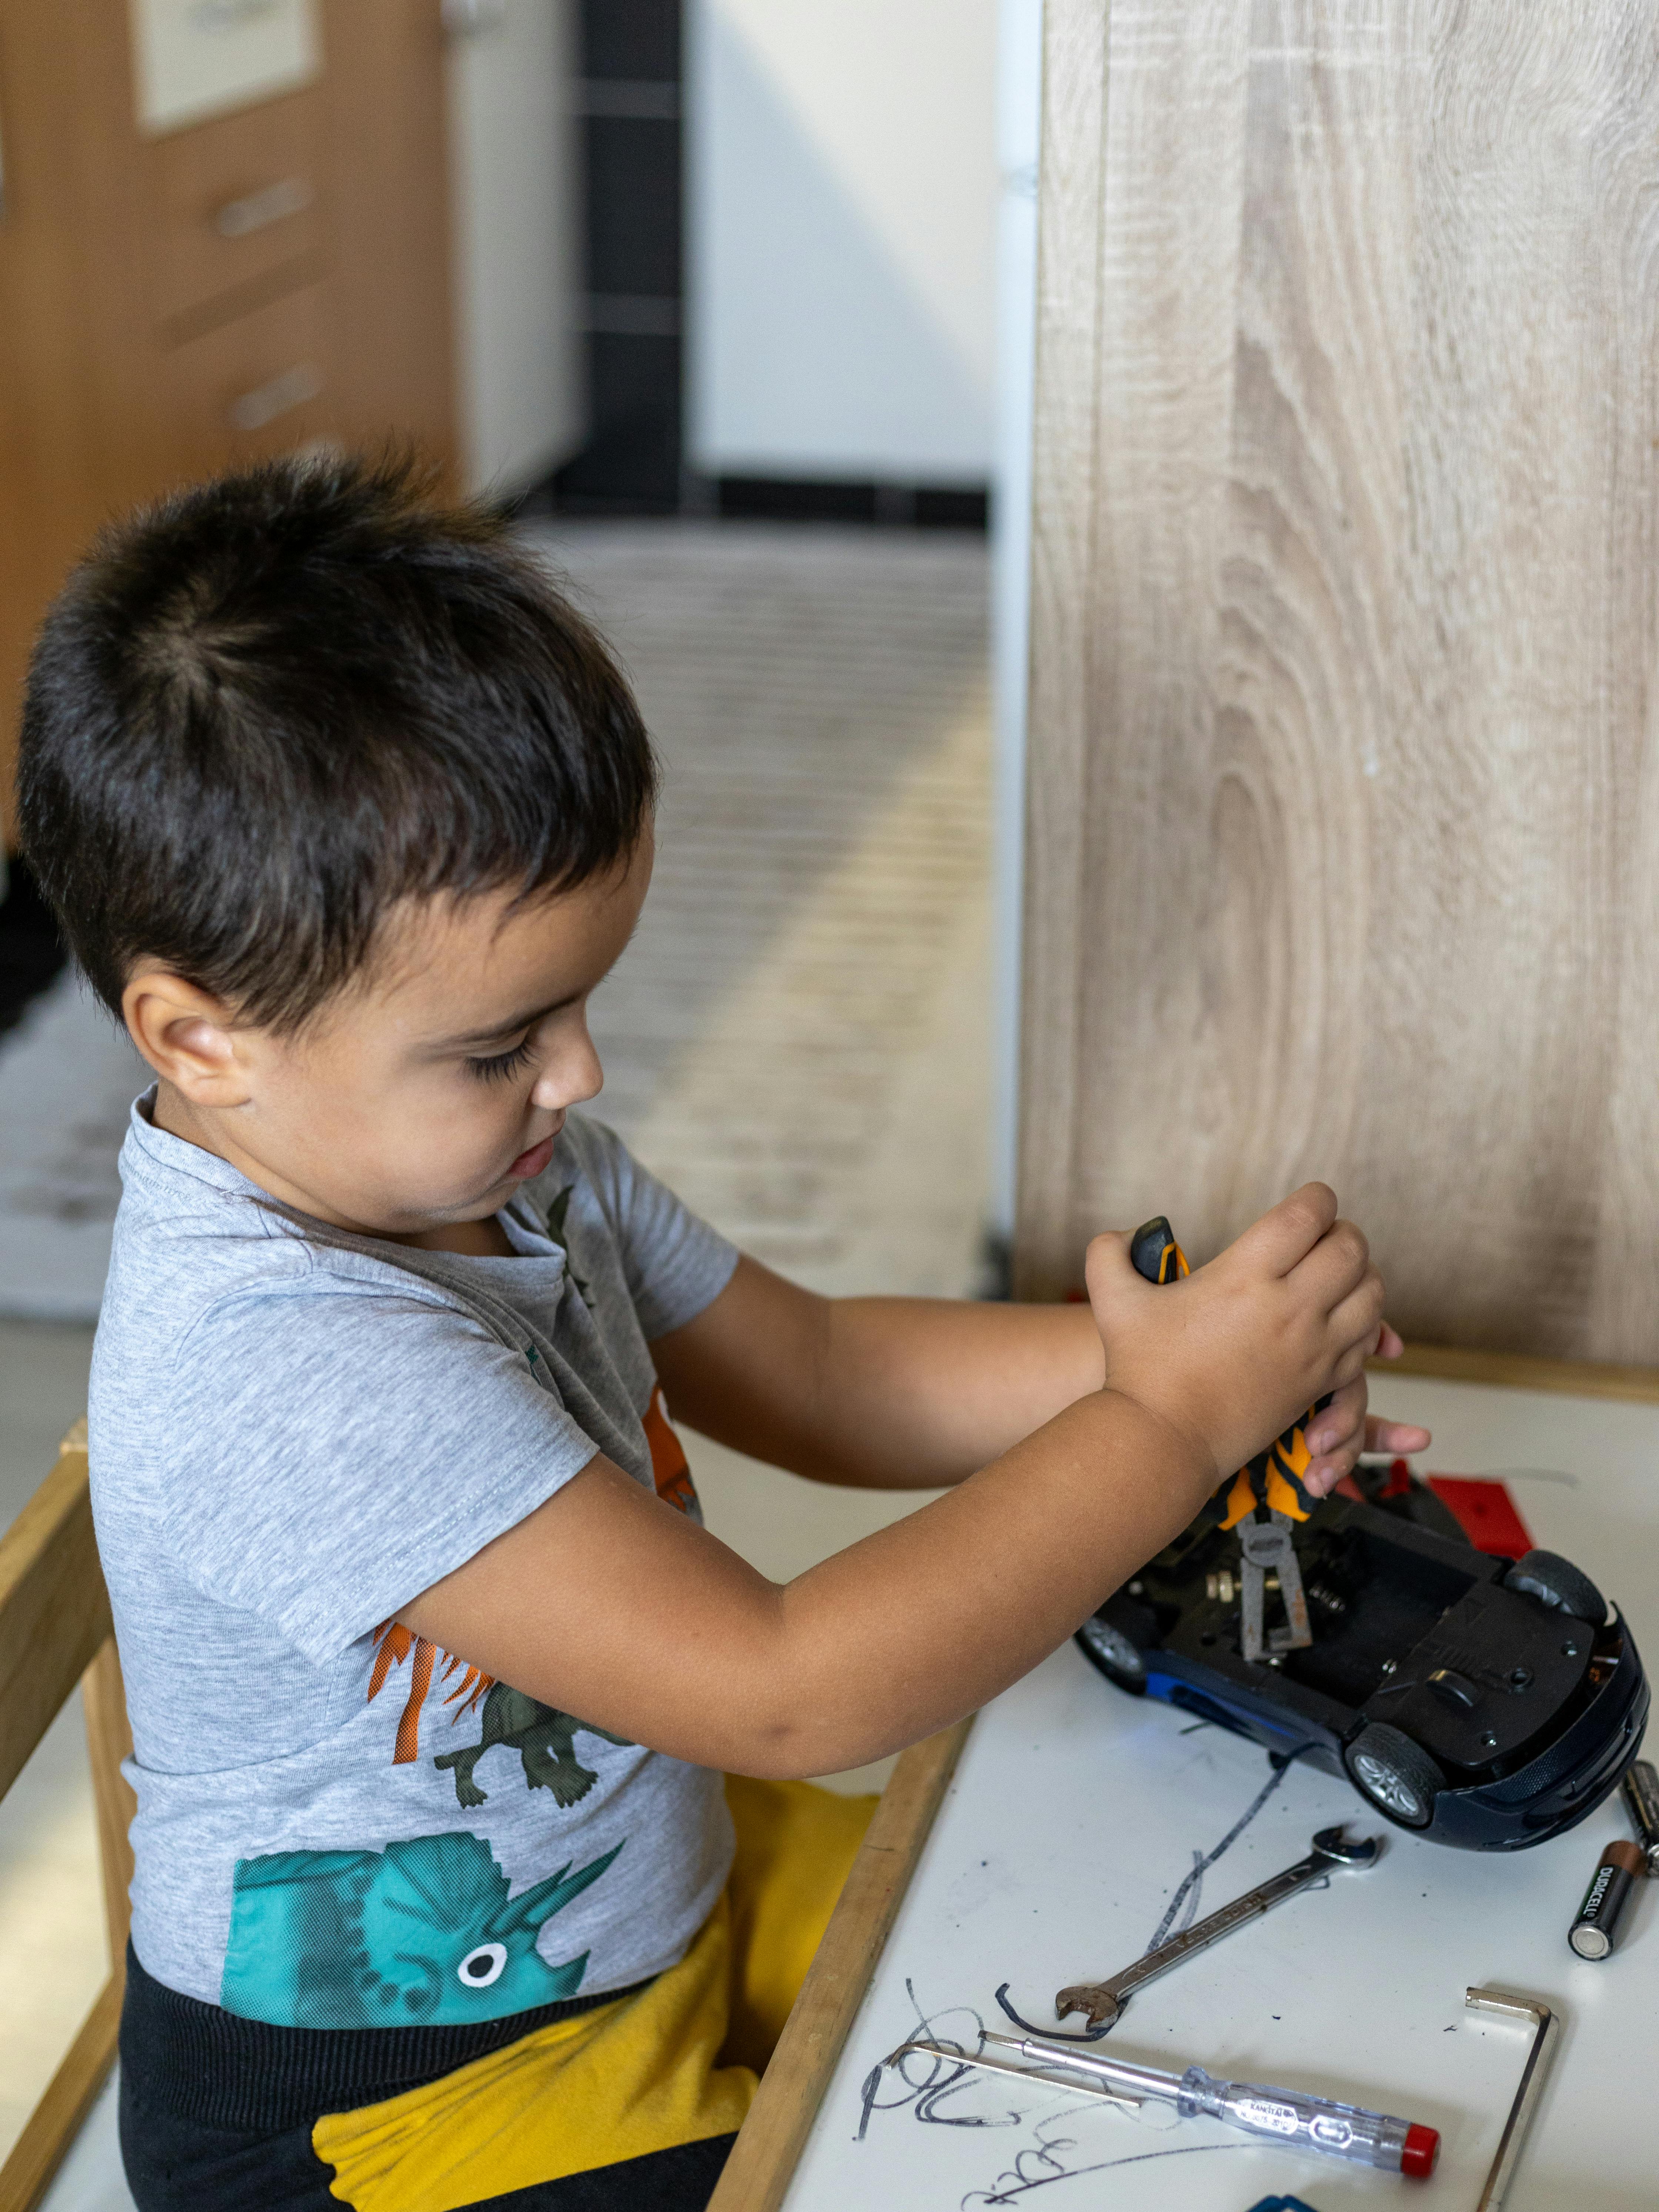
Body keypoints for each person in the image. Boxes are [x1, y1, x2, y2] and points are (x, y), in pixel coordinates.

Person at [18, 455, 1428, 2212]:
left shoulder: (511, 1171)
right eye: (498, 1045)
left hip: (645, 1902)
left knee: (1097, 1937)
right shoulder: (288, 1365)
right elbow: (787, 1689)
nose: (582, 1076)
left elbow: (825, 1370)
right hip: (402, 2114)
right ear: (200, 1037)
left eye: (583, 1002)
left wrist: (1178, 1355)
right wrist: (1165, 1431)